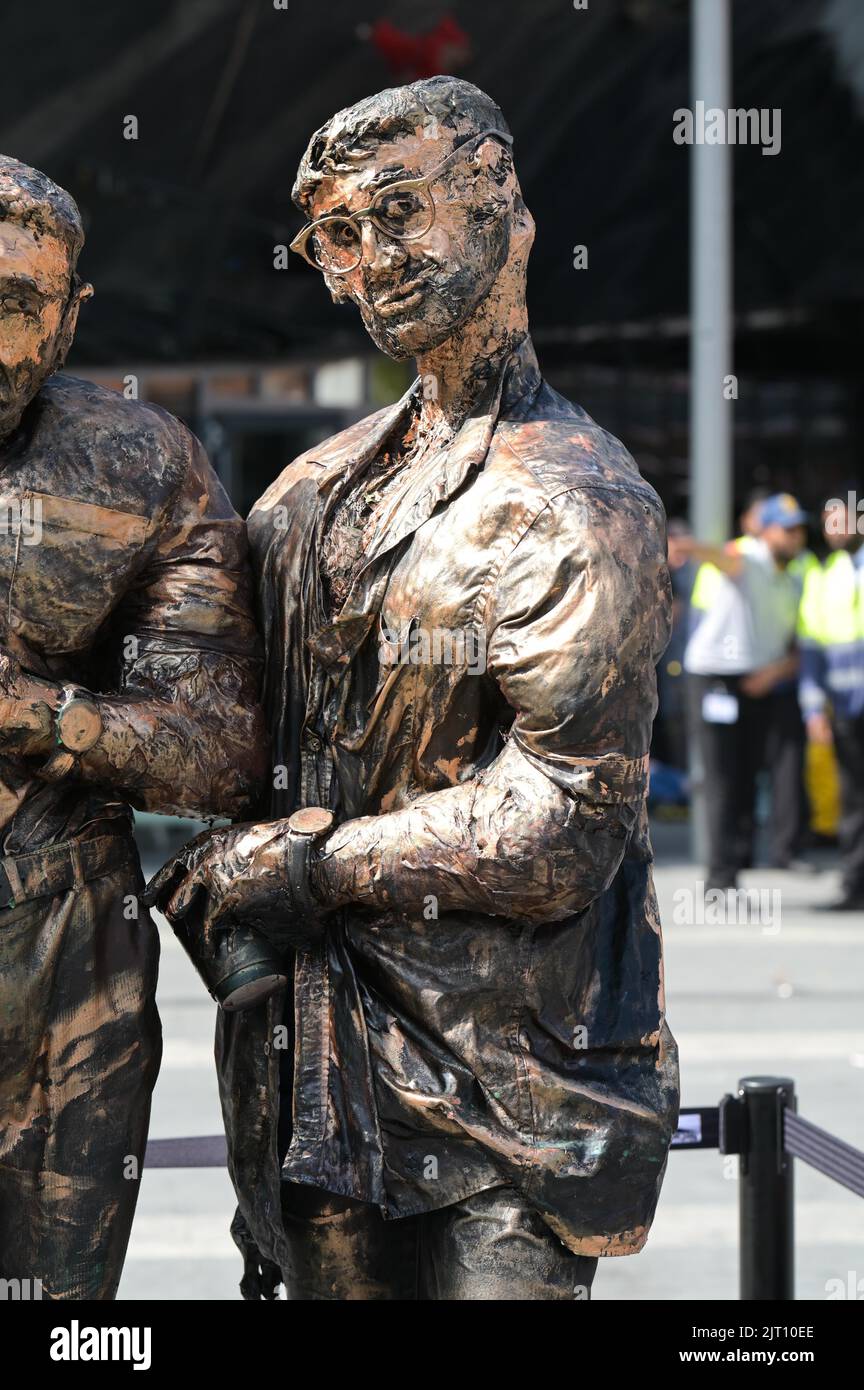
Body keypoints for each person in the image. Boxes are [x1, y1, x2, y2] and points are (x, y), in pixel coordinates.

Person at [148, 77, 679, 1302]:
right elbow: (227, 749)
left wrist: (305, 868)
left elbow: (568, 821)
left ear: (500, 201)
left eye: (400, 211)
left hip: (513, 1095)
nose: (371, 261)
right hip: (315, 1081)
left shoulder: (579, 499)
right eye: (339, 235)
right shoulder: (301, 496)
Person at [0, 156, 266, 1299]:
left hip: (64, 952)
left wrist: (31, 713)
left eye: (17, 304)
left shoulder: (142, 462)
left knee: (63, 1319)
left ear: (69, 320)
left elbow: (216, 748)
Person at [683, 493, 810, 888]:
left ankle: (734, 870)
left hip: (759, 681)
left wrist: (772, 674)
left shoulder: (792, 574)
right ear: (765, 530)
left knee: (746, 777)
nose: (796, 537)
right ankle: (719, 879)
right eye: (787, 529)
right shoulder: (751, 556)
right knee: (721, 778)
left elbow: (793, 646)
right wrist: (684, 547)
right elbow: (722, 557)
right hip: (716, 679)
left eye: (799, 529)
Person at [798, 497, 864, 909]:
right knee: (854, 798)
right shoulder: (824, 575)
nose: (832, 529)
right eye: (828, 521)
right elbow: (811, 649)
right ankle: (856, 886)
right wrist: (813, 707)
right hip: (846, 708)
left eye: (841, 520)